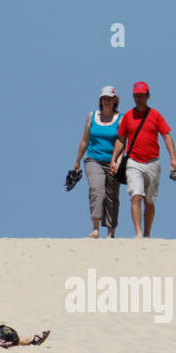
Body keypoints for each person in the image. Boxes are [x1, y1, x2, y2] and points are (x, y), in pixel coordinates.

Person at [110, 81, 176, 238]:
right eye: (136, 96)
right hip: (134, 162)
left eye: (142, 96)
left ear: (148, 96)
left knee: (149, 201)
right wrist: (114, 159)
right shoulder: (128, 116)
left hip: (153, 162)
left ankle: (148, 233)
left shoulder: (155, 115)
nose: (139, 99)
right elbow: (121, 139)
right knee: (136, 196)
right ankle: (138, 233)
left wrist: (173, 158)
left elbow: (167, 136)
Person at [72, 85, 123, 238]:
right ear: (100, 100)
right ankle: (95, 228)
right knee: (96, 190)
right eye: (104, 99)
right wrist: (77, 161)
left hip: (112, 161)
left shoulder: (121, 118)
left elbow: (122, 142)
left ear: (115, 101)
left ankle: (110, 231)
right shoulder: (92, 116)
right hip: (93, 159)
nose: (106, 101)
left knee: (112, 196)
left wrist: (117, 162)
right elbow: (84, 139)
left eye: (109, 99)